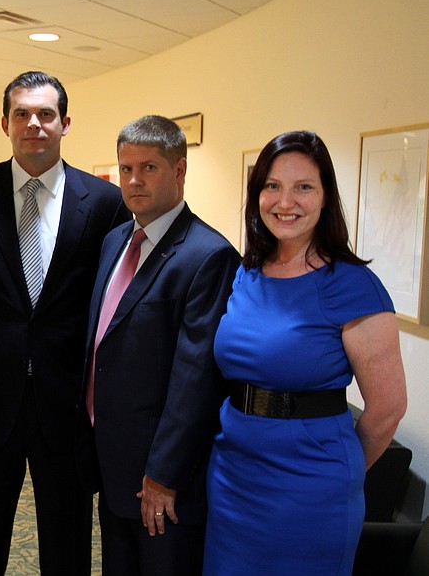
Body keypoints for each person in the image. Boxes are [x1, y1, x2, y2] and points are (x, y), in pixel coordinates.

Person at [204, 131, 408, 575]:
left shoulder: (352, 285)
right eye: (272, 186)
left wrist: (338, 472)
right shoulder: (248, 273)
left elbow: (388, 409)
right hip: (232, 476)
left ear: (325, 196)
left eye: (304, 187)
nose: (285, 201)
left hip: (311, 491)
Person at [0, 71, 129, 575]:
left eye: (46, 114)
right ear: (4, 123)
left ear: (65, 123)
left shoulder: (105, 202)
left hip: (67, 404)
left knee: (67, 547)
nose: (34, 124)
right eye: (22, 114)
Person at [73, 115, 239, 575]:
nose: (133, 181)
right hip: (112, 462)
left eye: (149, 168)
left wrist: (163, 476)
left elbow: (196, 378)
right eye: (126, 169)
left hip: (160, 479)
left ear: (180, 171)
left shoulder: (208, 256)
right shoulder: (115, 242)